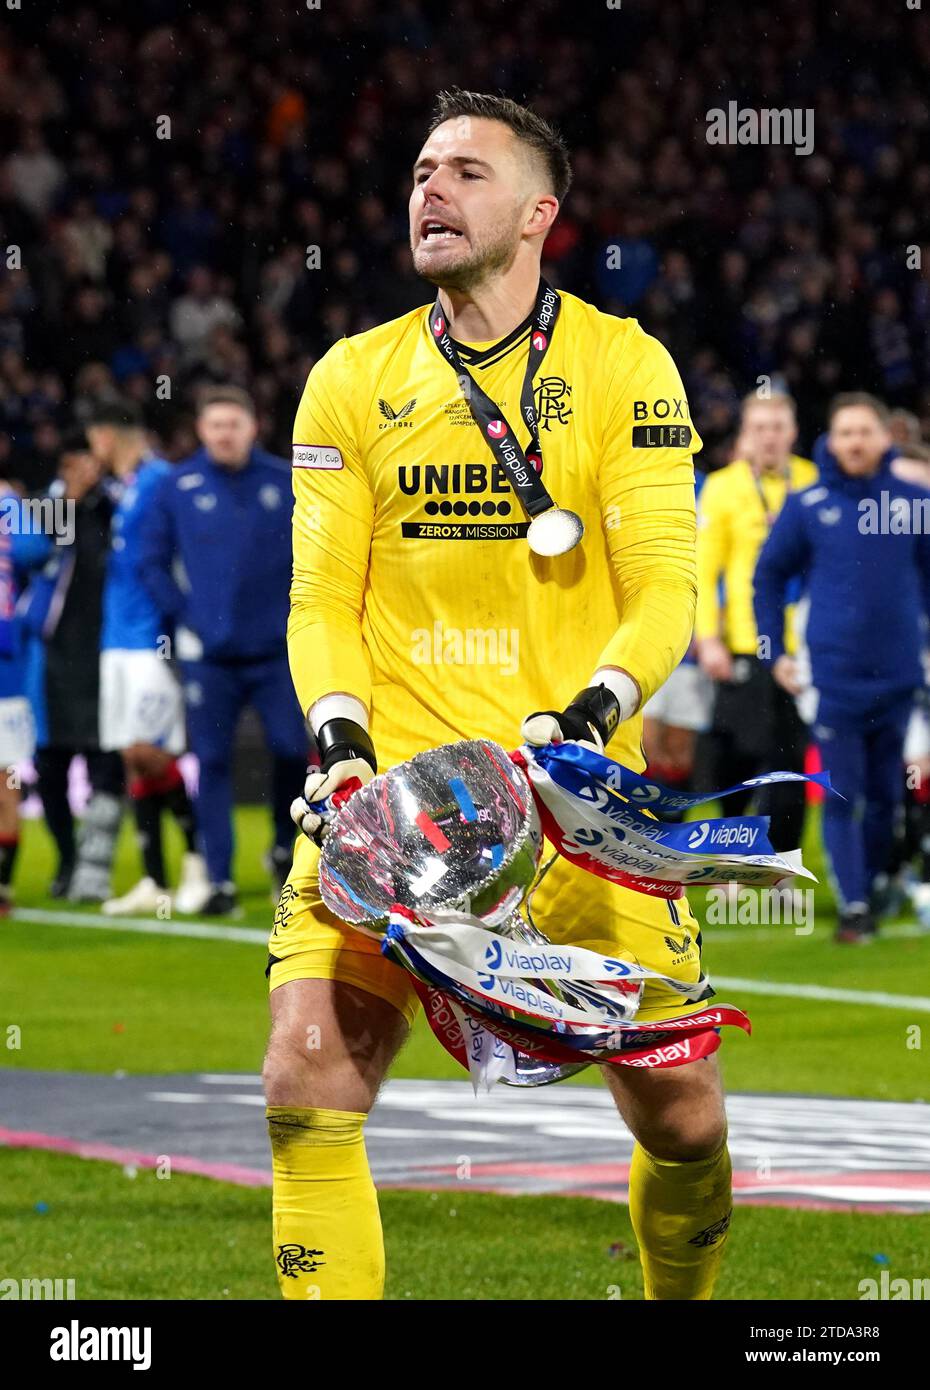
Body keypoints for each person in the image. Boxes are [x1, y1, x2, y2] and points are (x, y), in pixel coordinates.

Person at [266, 90, 730, 1303]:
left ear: (539, 214)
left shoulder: (626, 364)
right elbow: (320, 598)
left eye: (466, 171)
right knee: (305, 1078)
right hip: (394, 805)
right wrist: (341, 744)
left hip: (569, 805)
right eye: (422, 168)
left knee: (682, 1118)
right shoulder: (349, 378)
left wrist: (587, 721)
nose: (430, 187)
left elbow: (666, 589)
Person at [754, 392, 930, 942]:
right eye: (844, 432)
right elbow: (766, 577)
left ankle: (874, 883)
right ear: (831, 440)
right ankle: (855, 904)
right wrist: (773, 651)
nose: (854, 441)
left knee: (885, 798)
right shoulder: (808, 506)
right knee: (840, 794)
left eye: (864, 431)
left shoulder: (913, 504)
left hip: (900, 678)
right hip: (833, 679)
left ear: (884, 438)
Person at [139, 386, 308, 915]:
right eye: (216, 425)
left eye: (234, 423)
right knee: (210, 761)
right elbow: (150, 561)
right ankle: (218, 879)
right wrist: (187, 617)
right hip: (209, 658)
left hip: (277, 651)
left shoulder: (285, 480)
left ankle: (284, 849)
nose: (225, 434)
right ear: (201, 430)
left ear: (253, 426)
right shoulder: (177, 485)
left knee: (289, 750)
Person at [84, 402, 205, 916]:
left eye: (93, 439)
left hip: (148, 639)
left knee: (150, 750)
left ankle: (199, 863)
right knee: (132, 756)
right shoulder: (127, 487)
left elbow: (177, 554)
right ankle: (154, 878)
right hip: (118, 637)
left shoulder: (159, 480)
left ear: (108, 434)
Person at [695, 392, 817, 850]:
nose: (769, 436)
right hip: (745, 643)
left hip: (803, 647)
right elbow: (704, 572)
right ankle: (729, 857)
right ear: (746, 433)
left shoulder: (811, 481)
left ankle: (781, 866)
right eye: (759, 427)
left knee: (790, 762)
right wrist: (708, 638)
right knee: (738, 757)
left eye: (778, 426)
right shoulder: (724, 488)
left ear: (793, 432)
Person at [21, 429, 125, 900]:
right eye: (73, 465)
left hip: (107, 650)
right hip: (56, 656)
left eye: (90, 463)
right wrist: (68, 497)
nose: (84, 473)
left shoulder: (113, 505)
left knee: (108, 763)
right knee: (51, 767)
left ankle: (92, 866)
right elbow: (34, 553)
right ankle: (66, 859)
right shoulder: (48, 509)